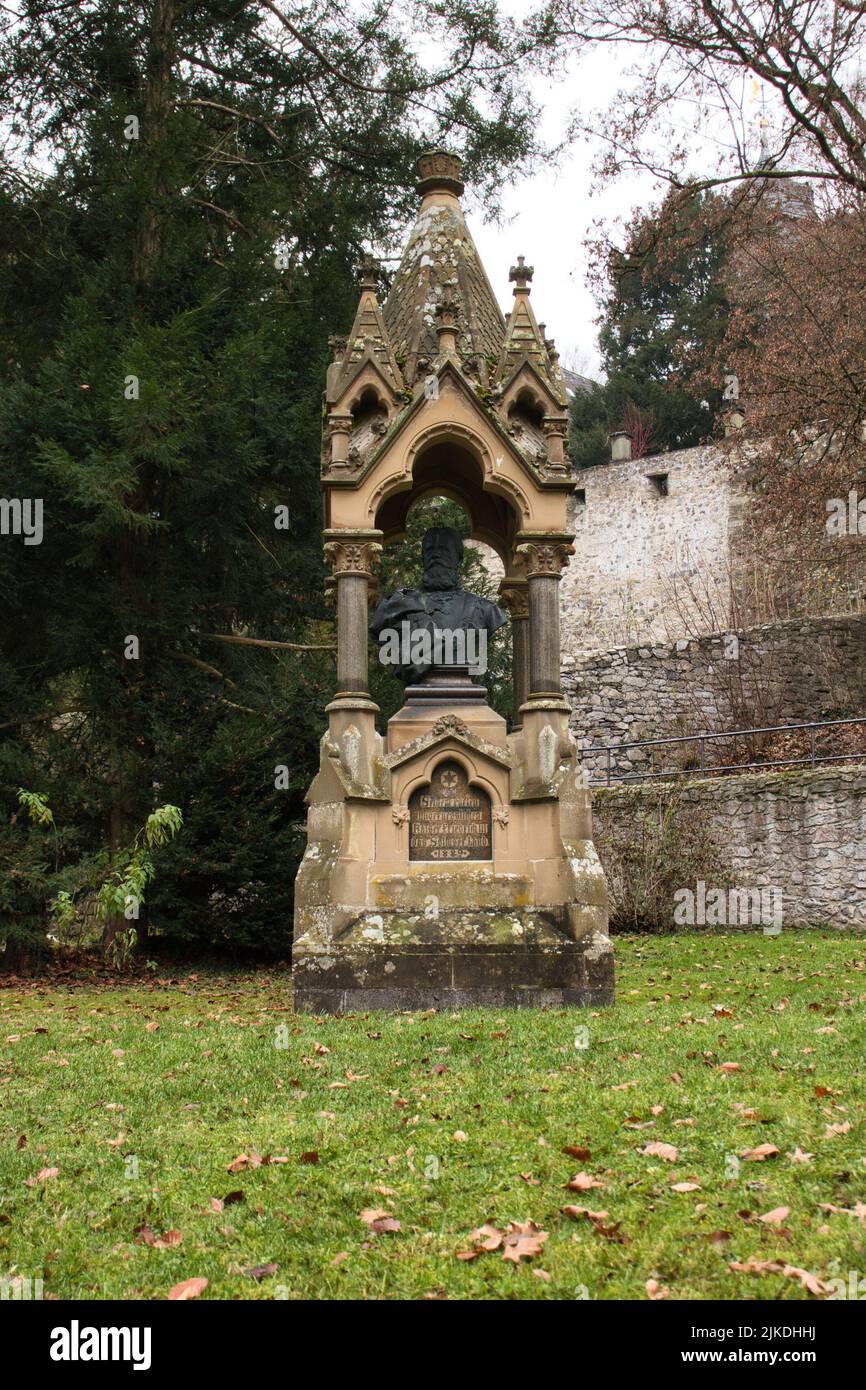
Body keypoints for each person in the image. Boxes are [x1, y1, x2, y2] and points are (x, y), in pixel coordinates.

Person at [370, 526, 507, 683]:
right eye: (430, 550)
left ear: (459, 558)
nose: (435, 555)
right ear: (422, 558)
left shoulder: (485, 610)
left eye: (443, 549)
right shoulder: (399, 605)